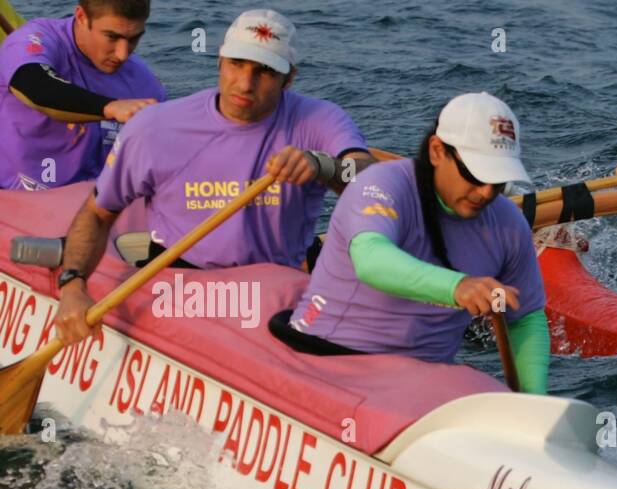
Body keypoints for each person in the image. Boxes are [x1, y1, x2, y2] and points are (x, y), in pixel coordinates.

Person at [53, 8, 376, 345]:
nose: (245, 84)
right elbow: (98, 214)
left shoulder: (319, 120)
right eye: (237, 63)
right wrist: (72, 287)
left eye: (265, 71)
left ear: (289, 78)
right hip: (182, 287)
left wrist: (325, 167)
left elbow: (371, 182)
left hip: (278, 290)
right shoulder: (155, 128)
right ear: (220, 61)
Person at [274, 92, 550, 394]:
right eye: (474, 174)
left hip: (418, 383)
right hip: (324, 357)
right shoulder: (380, 184)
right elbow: (371, 260)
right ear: (436, 151)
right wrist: (457, 287)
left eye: (498, 181)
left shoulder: (509, 222)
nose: (486, 192)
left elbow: (525, 318)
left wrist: (535, 401)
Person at [0, 0, 164, 191]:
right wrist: (110, 108)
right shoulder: (33, 39)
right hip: (15, 194)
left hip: (97, 199)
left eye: (134, 39)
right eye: (111, 37)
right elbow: (34, 85)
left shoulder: (145, 83)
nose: (122, 54)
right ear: (81, 17)